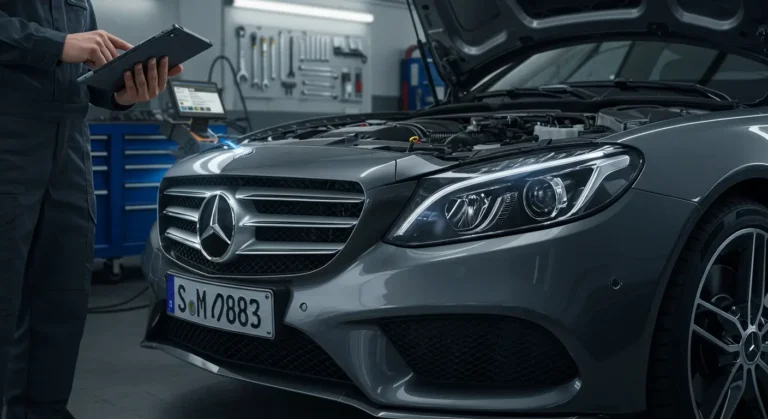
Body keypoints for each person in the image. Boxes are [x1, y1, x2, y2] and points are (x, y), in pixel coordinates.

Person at [0, 1, 182, 418]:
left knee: (61, 299)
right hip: (7, 142)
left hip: (70, 151)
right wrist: (56, 43)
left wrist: (124, 90)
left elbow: (89, 77)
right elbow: (63, 47)